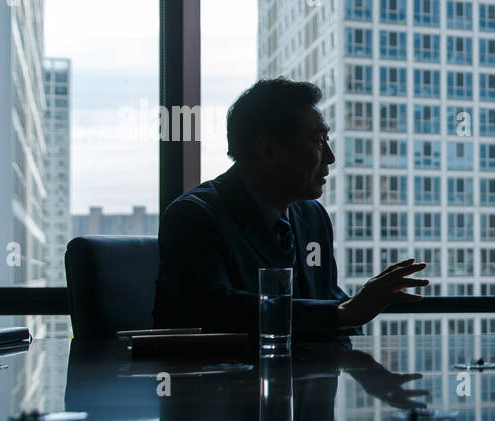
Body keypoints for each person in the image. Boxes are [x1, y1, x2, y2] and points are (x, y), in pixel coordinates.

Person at [153, 78, 428, 337]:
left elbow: (327, 300)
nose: (330, 157)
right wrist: (343, 313)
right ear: (269, 150)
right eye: (318, 141)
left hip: (303, 381)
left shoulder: (311, 215)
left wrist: (367, 370)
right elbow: (213, 311)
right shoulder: (194, 216)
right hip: (219, 383)